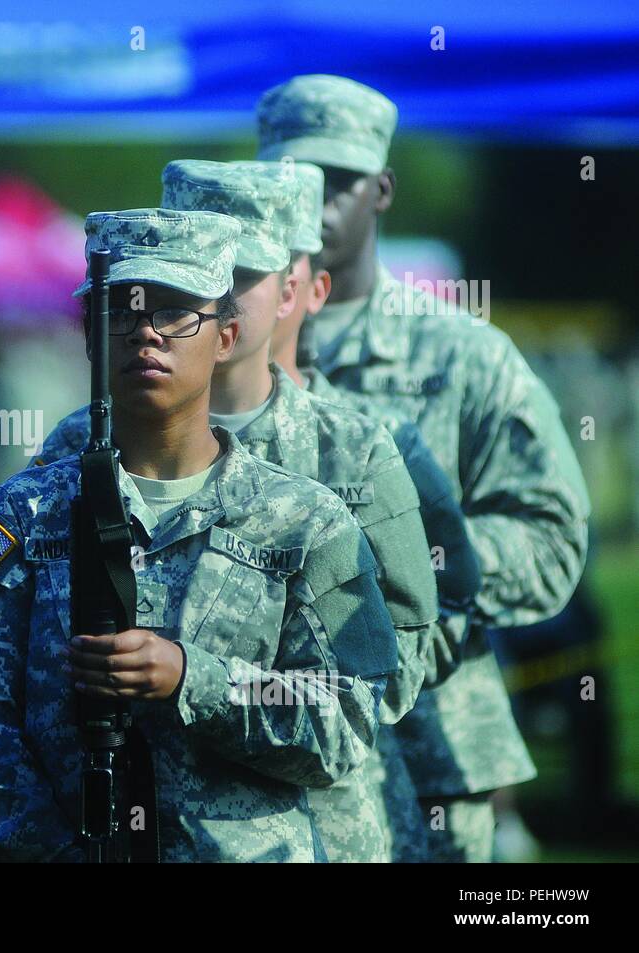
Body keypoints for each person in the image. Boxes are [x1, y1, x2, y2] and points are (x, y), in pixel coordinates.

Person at [0, 208, 398, 862]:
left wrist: (191, 679)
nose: (146, 332)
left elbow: (347, 716)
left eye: (176, 312)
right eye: (121, 311)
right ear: (91, 336)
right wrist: (48, 852)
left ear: (227, 334)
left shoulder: (307, 521)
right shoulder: (24, 512)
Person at [34, 161, 438, 862]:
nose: (149, 328)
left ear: (293, 289)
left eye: (244, 275)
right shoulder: (74, 450)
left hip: (302, 820)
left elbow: (389, 662)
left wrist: (209, 680)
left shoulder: (349, 451)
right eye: (130, 306)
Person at [257, 73, 591, 861]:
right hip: (258, 755)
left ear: (383, 190)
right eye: (293, 178)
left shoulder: (464, 355)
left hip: (427, 751)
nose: (316, 200)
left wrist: (426, 561)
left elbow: (553, 535)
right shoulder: (213, 350)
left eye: (339, 179)